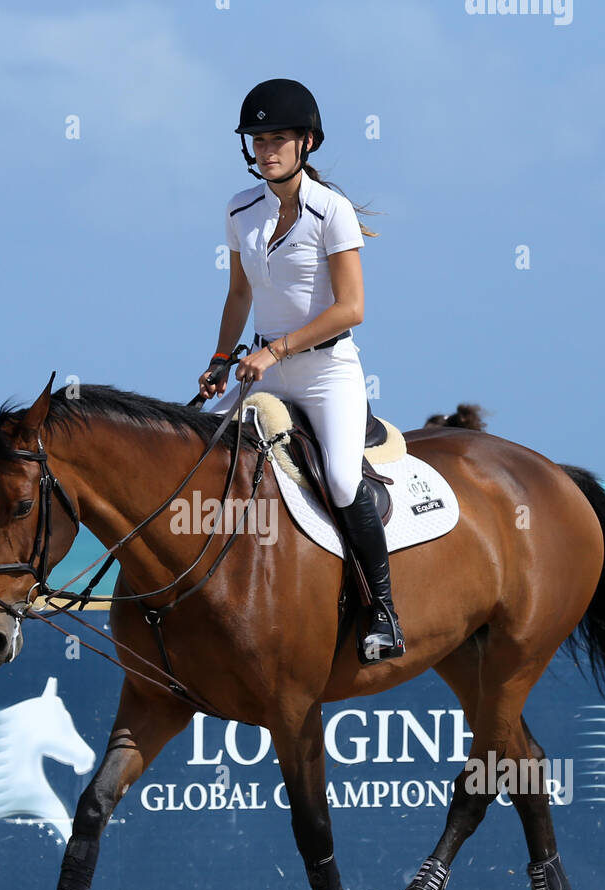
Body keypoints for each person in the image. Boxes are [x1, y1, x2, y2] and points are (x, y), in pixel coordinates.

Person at [198, 78, 404, 664]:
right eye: (258, 139)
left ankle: (384, 611)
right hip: (261, 368)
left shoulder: (329, 210)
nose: (267, 150)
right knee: (198, 450)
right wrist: (220, 358)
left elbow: (352, 308)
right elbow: (238, 295)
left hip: (326, 372)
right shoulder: (239, 208)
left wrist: (276, 350)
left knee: (341, 479)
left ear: (307, 142)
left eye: (279, 139)